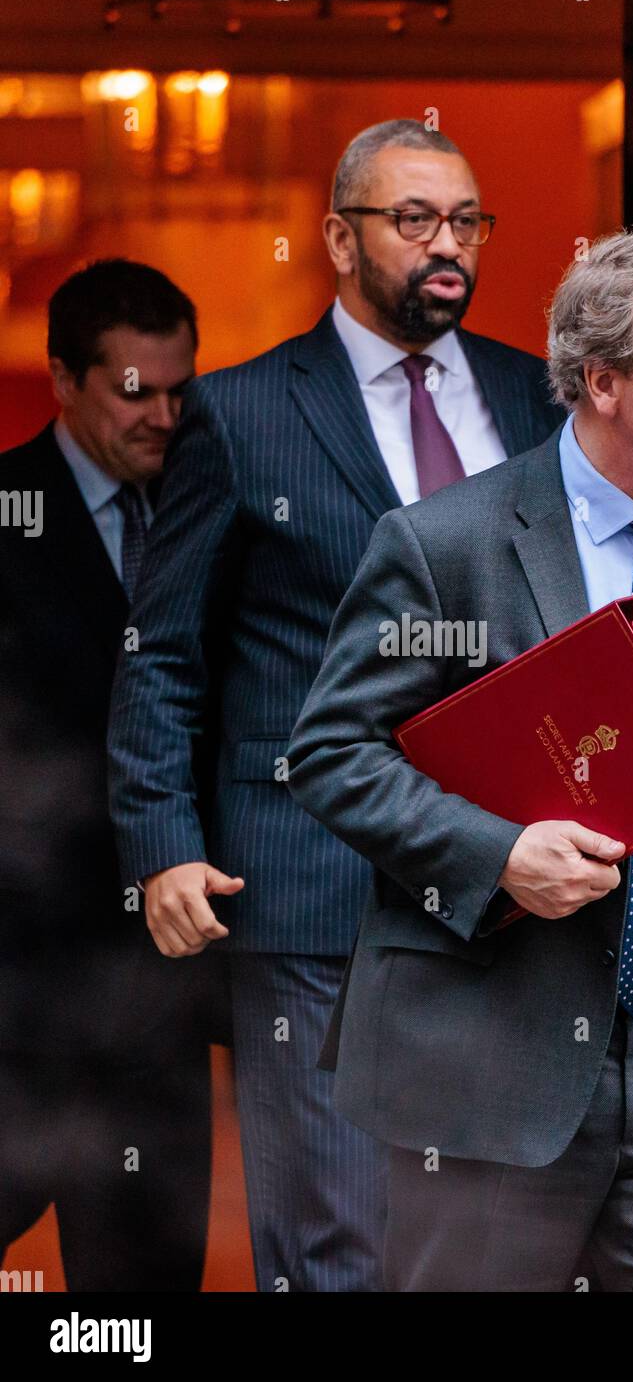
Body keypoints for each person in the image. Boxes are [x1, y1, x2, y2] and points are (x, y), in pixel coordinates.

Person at [285, 225, 633, 1293]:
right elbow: (329, 751)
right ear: (601, 381)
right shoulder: (443, 542)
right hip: (496, 1055)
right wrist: (496, 853)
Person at [106, 118, 562, 1293]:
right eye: (414, 219)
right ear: (338, 239)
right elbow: (161, 650)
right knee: (332, 1242)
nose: (446, 244)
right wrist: (162, 845)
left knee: (484, 1241)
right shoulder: (242, 410)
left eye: (466, 220)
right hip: (311, 875)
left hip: (508, 877)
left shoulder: (538, 399)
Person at [0, 258, 214, 1291]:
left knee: (143, 1290)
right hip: (18, 983)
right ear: (64, 381)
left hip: (156, 993)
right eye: (136, 390)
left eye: (181, 390)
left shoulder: (215, 514)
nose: (163, 416)